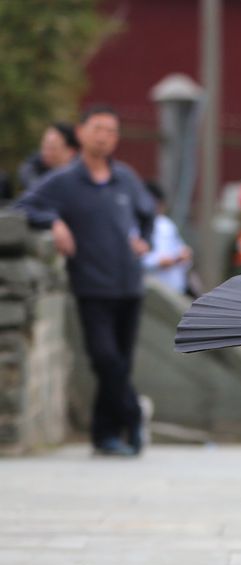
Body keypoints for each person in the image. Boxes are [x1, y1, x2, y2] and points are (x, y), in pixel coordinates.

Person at [16, 105, 155, 457]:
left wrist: (145, 240)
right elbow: (23, 207)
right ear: (81, 133)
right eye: (97, 128)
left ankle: (105, 435)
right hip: (92, 286)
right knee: (105, 359)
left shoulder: (125, 178)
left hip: (129, 285)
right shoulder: (64, 181)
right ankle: (133, 415)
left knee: (120, 362)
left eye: (110, 130)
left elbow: (147, 214)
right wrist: (54, 221)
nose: (104, 136)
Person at [142, 181, 192, 295]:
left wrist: (185, 255)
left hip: (175, 288)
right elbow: (135, 259)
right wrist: (157, 262)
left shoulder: (166, 224)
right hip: (152, 291)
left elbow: (181, 249)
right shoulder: (135, 225)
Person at [19, 122, 79, 192]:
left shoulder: (84, 172)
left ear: (71, 151)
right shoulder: (34, 167)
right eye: (44, 147)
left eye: (52, 148)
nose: (45, 153)